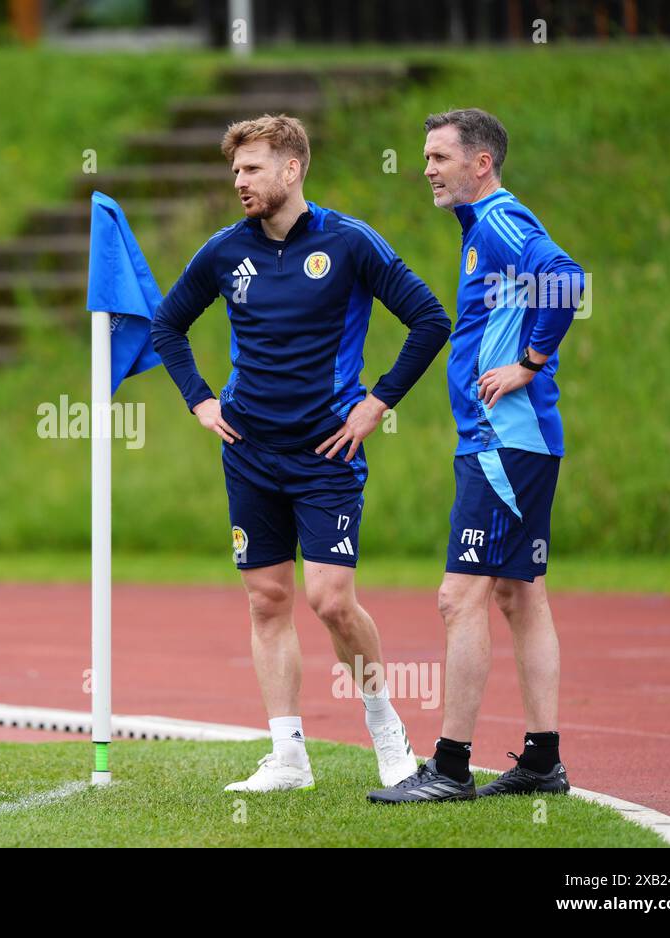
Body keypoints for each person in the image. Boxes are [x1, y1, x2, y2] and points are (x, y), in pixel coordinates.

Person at [151, 114, 450, 792]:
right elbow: (168, 324)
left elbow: (431, 319)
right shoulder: (225, 251)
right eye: (235, 171)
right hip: (250, 449)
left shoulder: (350, 243)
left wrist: (377, 403)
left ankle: (387, 732)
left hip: (327, 453)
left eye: (251, 169)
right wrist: (200, 399)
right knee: (266, 597)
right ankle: (288, 757)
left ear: (292, 170)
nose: (239, 182)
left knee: (331, 599)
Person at [368, 108, 585, 804]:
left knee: (458, 596)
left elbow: (566, 278)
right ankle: (542, 763)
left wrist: (529, 361)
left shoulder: (497, 221)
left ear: (480, 162)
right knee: (520, 595)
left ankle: (452, 768)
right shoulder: (482, 228)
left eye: (438, 157)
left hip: (502, 444)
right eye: (425, 156)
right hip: (516, 443)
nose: (426, 168)